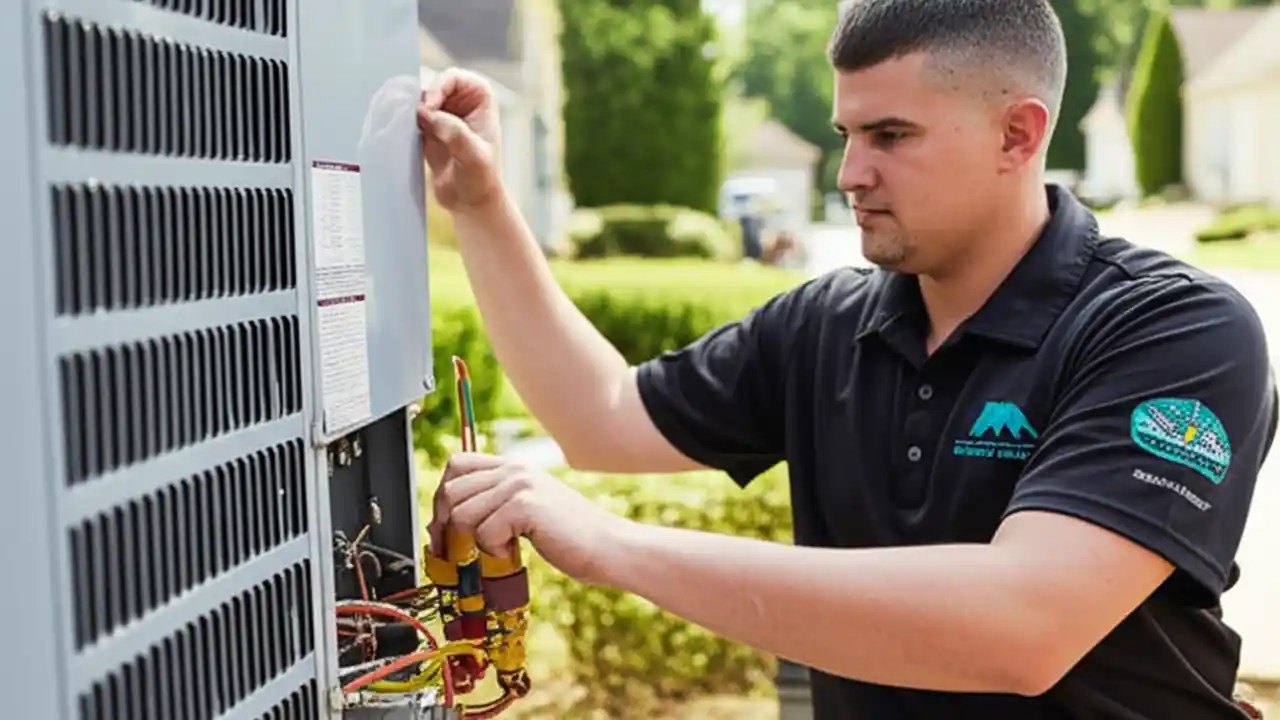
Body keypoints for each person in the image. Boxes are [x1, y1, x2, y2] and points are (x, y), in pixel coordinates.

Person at [415, 1, 1277, 717]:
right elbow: (600, 418)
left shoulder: (1174, 330)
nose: (850, 173)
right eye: (847, 133)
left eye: (891, 135)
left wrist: (611, 544)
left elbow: (1024, 626)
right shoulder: (827, 326)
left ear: (1017, 135)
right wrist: (484, 205)